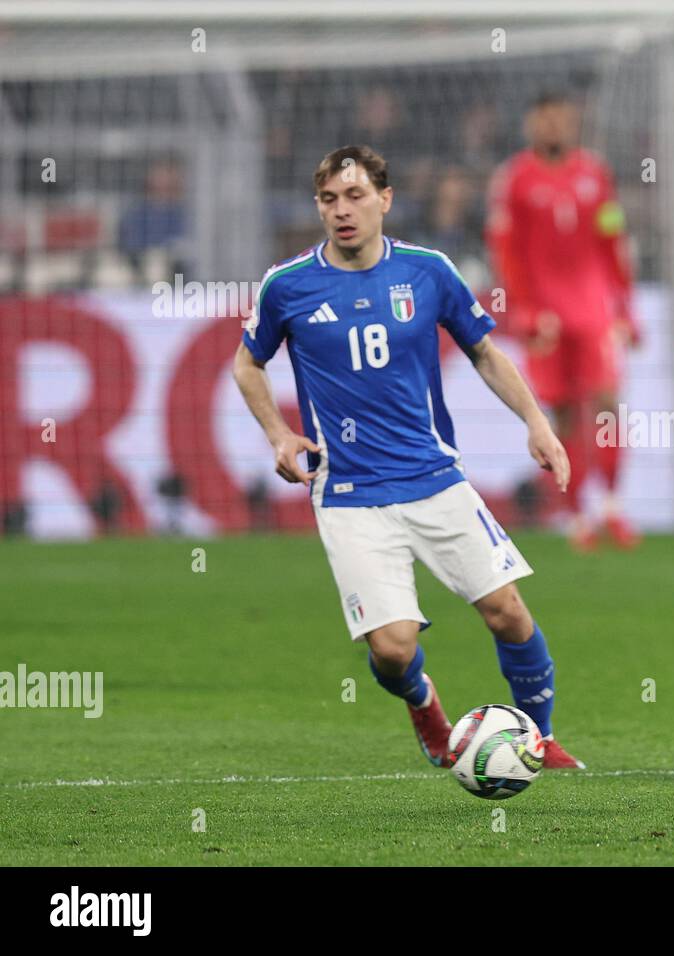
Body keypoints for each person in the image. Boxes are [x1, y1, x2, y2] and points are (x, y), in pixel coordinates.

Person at [232, 144, 585, 770]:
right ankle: (424, 705)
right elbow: (248, 362)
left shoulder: (428, 271)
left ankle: (540, 735)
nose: (342, 211)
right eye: (329, 199)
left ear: (385, 200)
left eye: (356, 196)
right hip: (349, 493)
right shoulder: (287, 286)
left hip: (434, 479)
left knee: (507, 611)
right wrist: (278, 435)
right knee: (393, 651)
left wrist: (536, 420)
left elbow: (484, 351)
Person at [487, 92, 640, 551]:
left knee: (608, 404)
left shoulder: (595, 174)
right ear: (532, 126)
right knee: (565, 415)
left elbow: (611, 240)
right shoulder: (514, 180)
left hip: (593, 307)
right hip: (545, 313)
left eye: (560, 120)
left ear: (572, 124)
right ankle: (576, 517)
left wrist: (624, 308)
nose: (553, 128)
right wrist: (525, 310)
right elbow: (506, 252)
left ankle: (612, 507)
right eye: (544, 121)